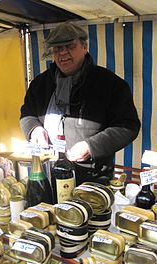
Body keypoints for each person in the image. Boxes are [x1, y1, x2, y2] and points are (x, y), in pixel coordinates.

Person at [20, 21, 140, 186]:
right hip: (47, 173)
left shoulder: (110, 84)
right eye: (57, 48)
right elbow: (27, 113)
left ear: (84, 47)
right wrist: (34, 129)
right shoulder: (40, 84)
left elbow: (128, 126)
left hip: (91, 177)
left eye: (70, 46)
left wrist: (91, 146)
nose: (63, 53)